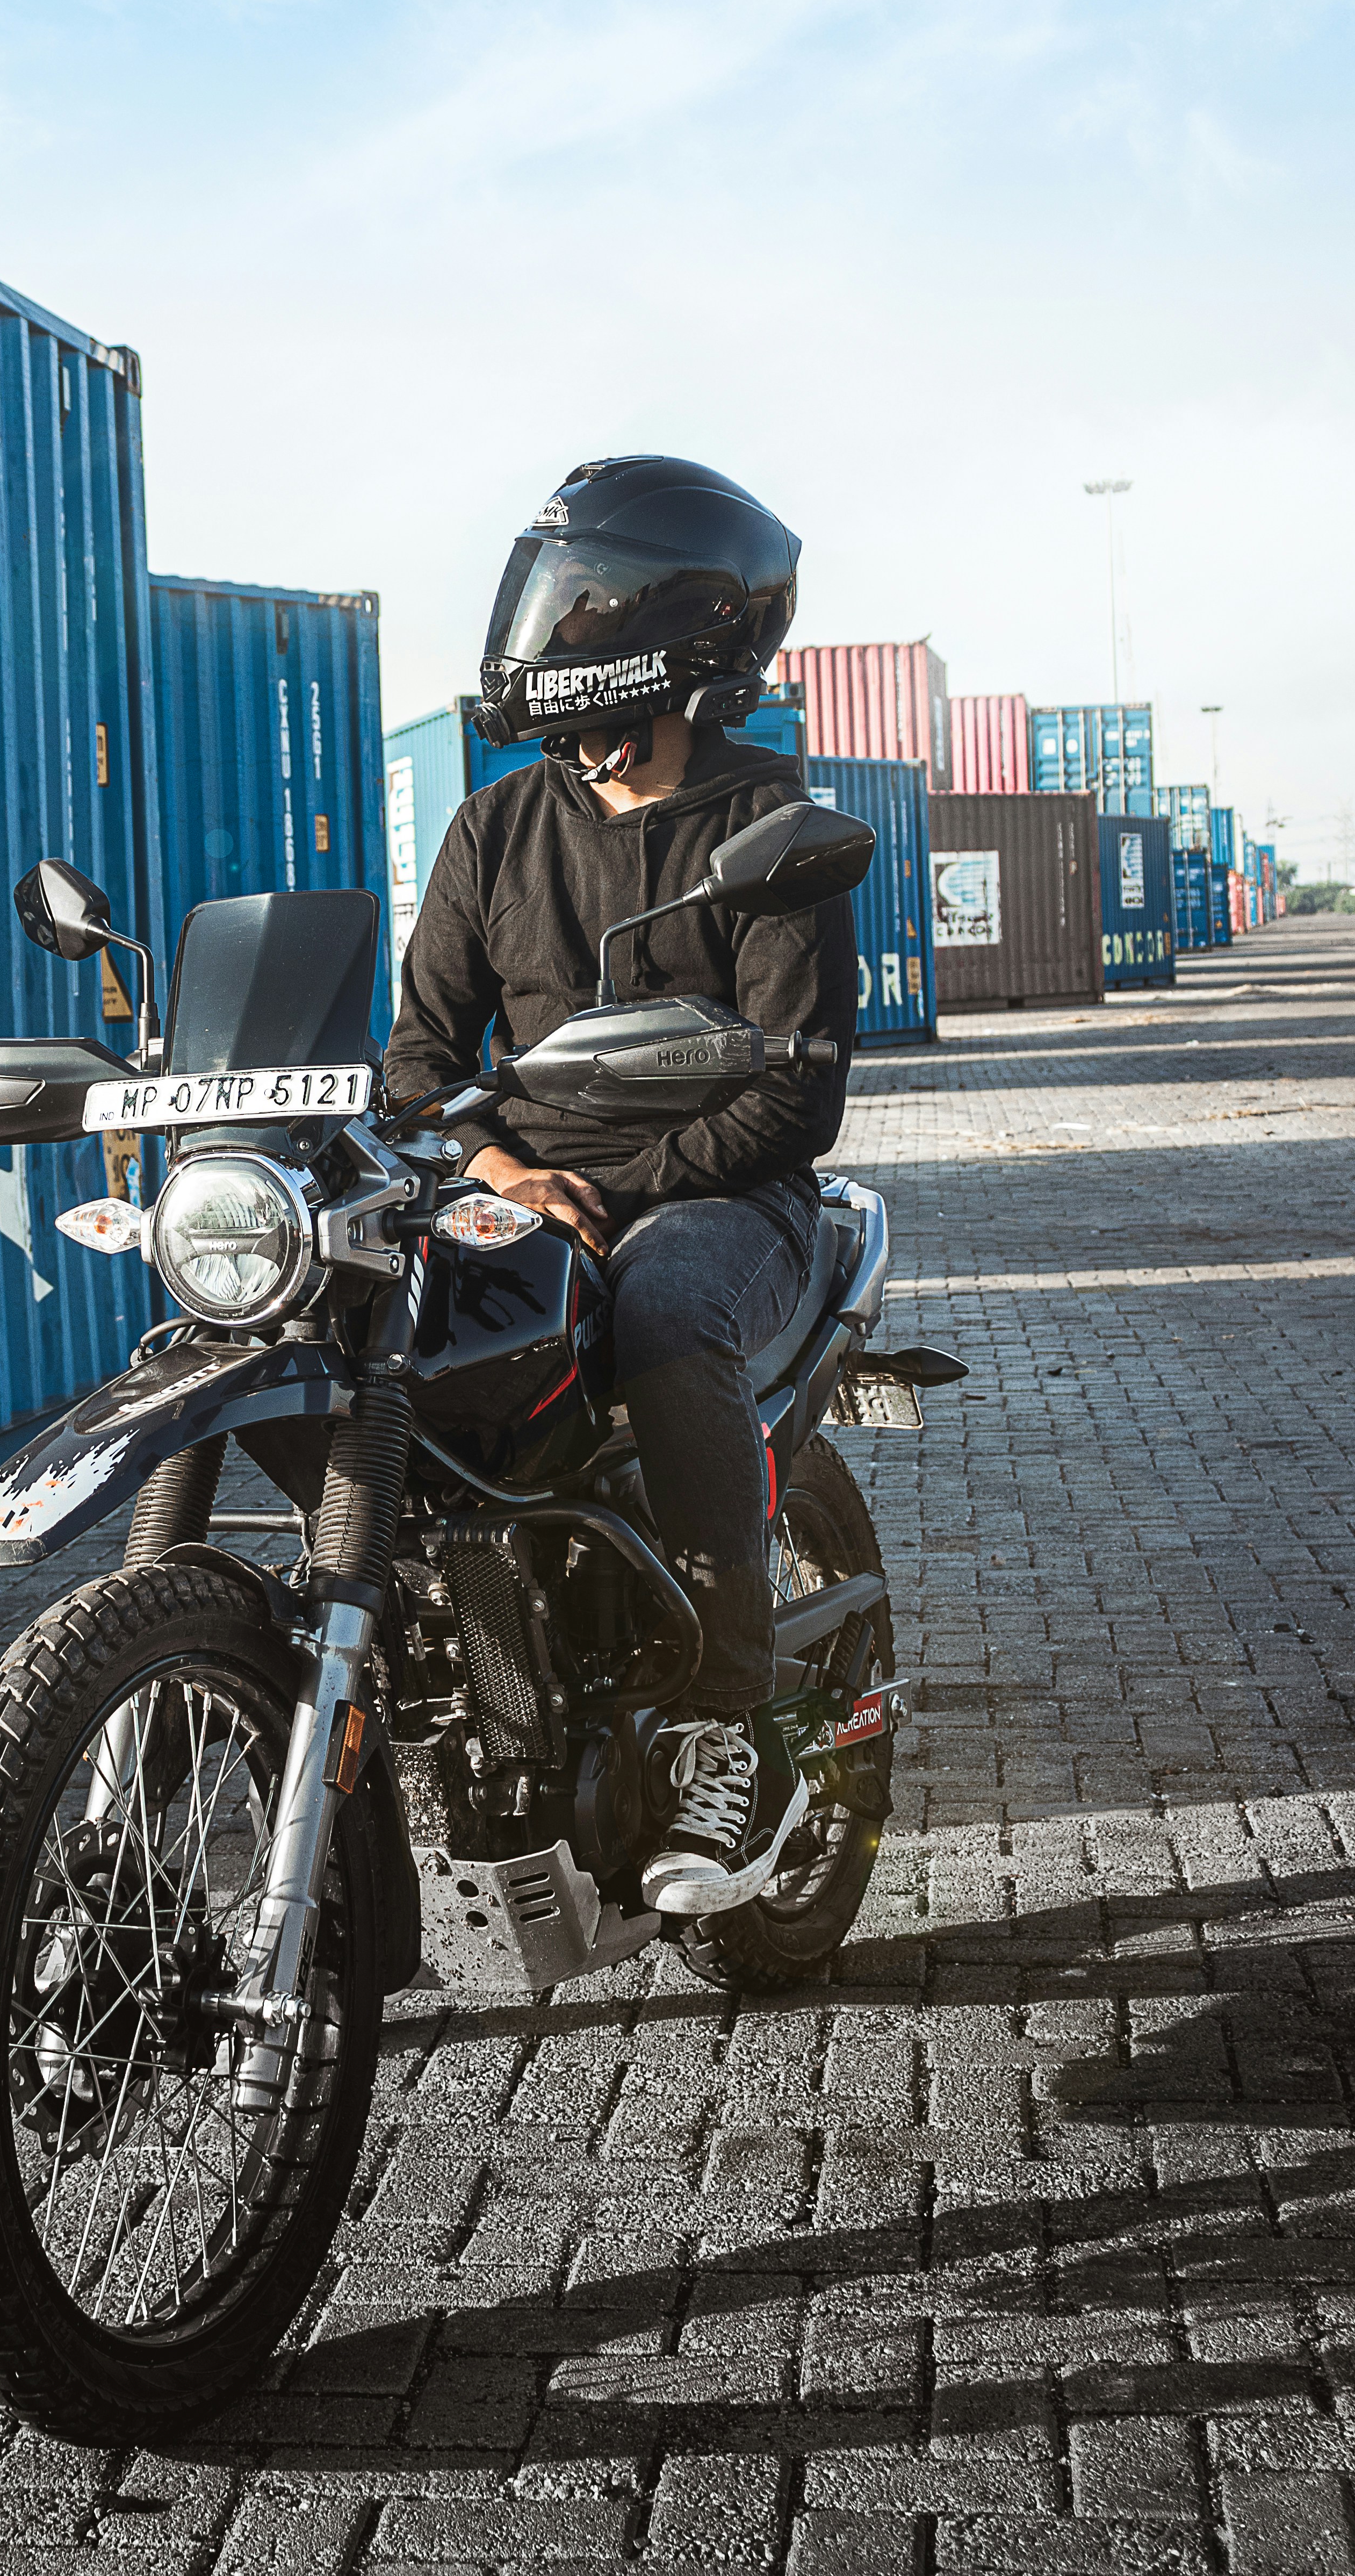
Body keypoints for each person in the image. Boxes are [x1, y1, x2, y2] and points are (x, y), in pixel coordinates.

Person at [384, 456, 858, 1914]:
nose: (559, 628)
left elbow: (796, 1095)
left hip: (729, 1199)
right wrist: (505, 1172)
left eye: (587, 601)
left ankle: (736, 1728)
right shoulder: (495, 830)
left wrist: (630, 1190)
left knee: (662, 1310)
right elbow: (417, 1064)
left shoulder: (765, 821)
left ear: (672, 632)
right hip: (533, 1191)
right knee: (360, 1323)